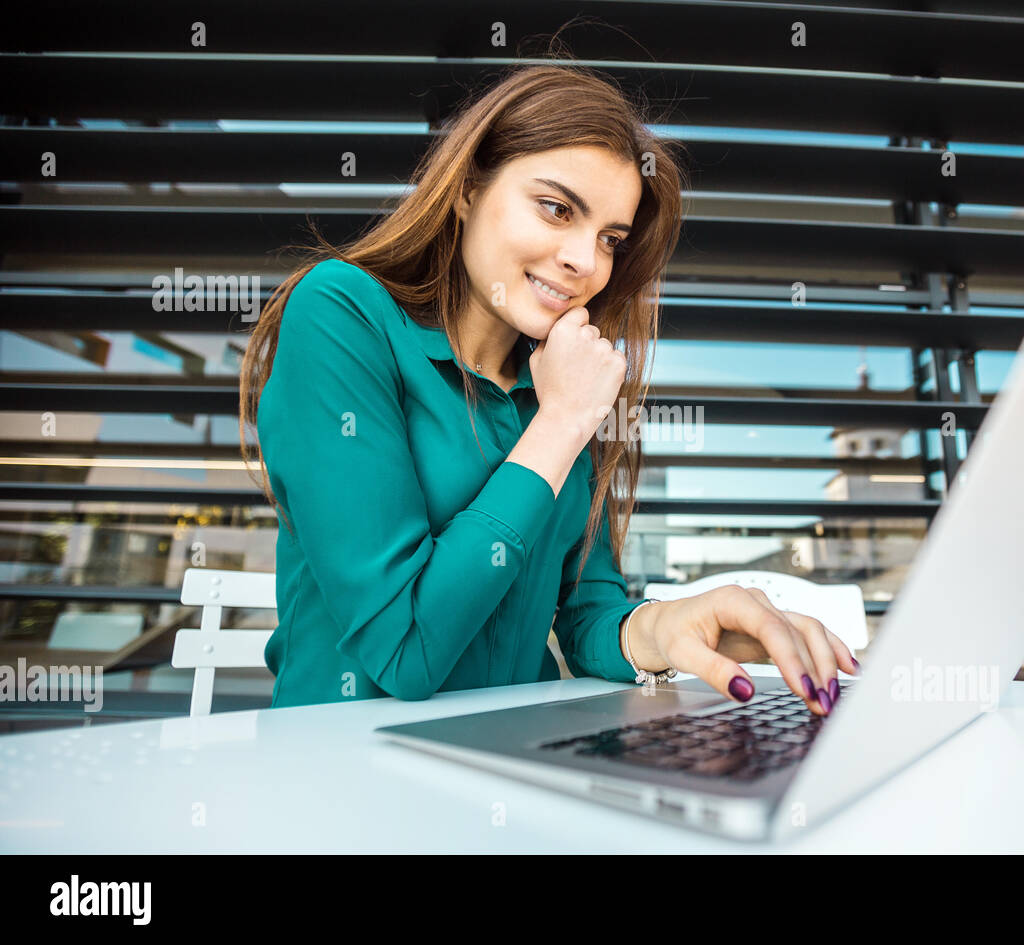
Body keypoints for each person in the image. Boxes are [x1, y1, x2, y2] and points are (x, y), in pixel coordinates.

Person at [238, 62, 858, 711]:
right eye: (557, 208)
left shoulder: (559, 380)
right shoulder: (342, 314)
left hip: (512, 759)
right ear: (469, 189)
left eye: (610, 238)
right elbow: (405, 650)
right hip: (342, 769)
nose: (585, 263)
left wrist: (665, 627)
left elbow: (587, 612)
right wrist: (560, 422)